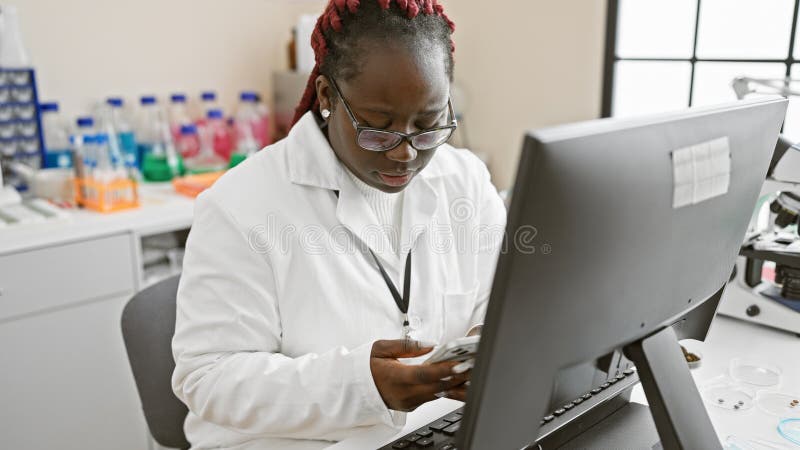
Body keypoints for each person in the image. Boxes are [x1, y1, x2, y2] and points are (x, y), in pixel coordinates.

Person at [171, 0, 506, 448]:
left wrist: (487, 346)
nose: (405, 153)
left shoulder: (463, 178)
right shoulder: (241, 205)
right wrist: (361, 386)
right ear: (328, 97)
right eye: (378, 129)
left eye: (428, 126)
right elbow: (207, 378)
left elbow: (502, 296)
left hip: (436, 430)